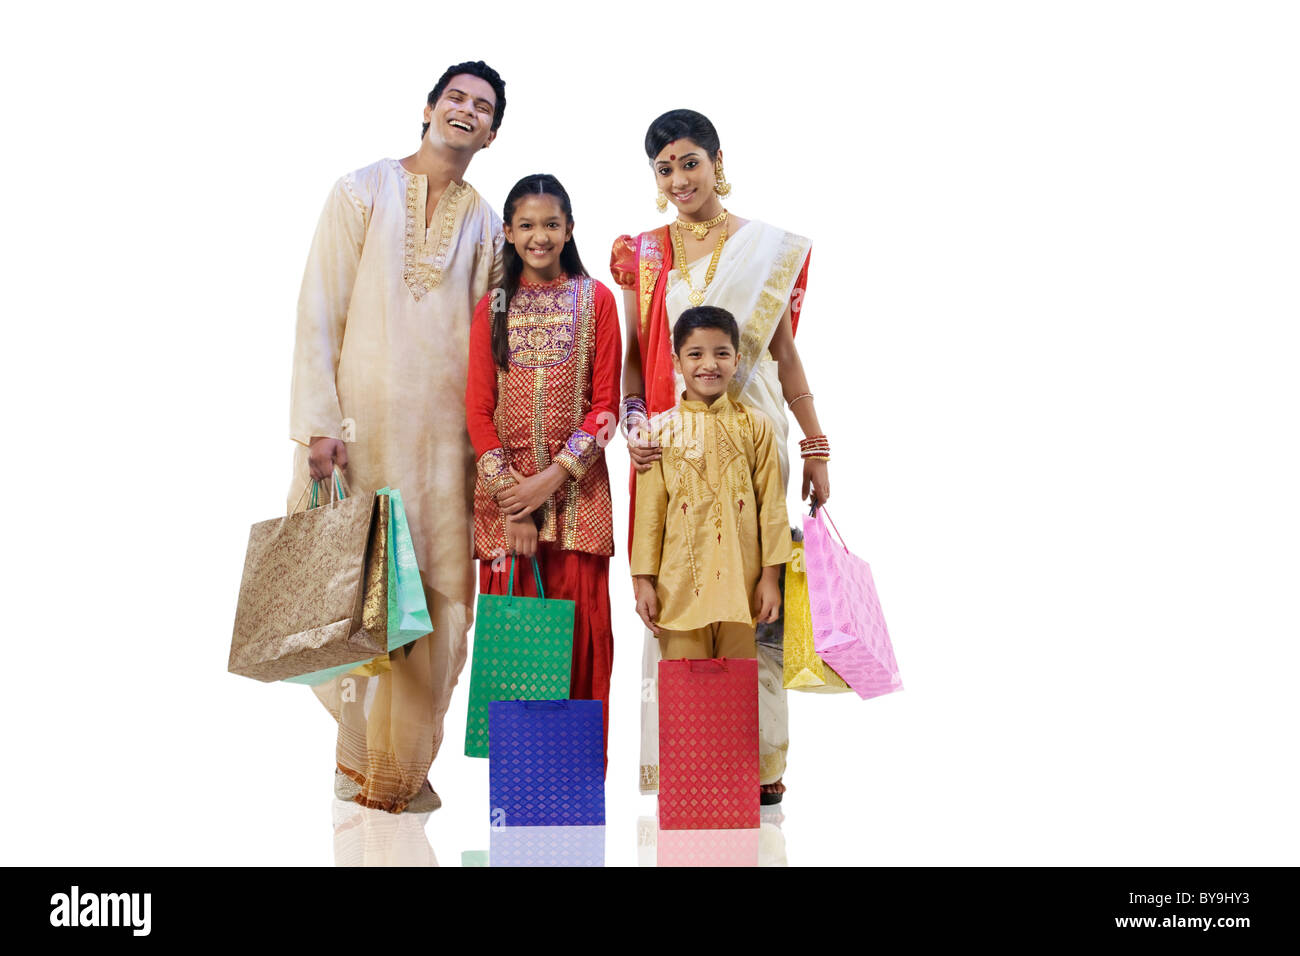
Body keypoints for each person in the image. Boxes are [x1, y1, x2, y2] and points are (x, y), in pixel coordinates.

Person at [288, 60, 507, 814]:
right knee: (354, 594)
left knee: (438, 596)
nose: (467, 112)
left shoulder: (488, 225)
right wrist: (318, 423)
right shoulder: (363, 190)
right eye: (457, 98)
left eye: (482, 107)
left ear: (493, 131)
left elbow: (492, 343)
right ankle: (359, 762)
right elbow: (320, 308)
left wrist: (494, 453)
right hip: (360, 437)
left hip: (447, 449)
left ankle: (399, 769)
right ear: (428, 107)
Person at [610, 109, 831, 804]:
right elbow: (638, 363)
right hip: (673, 452)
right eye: (664, 169)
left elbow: (786, 358)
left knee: (758, 610)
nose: (679, 179)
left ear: (716, 160)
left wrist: (816, 445)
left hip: (756, 445)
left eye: (689, 163)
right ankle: (692, 759)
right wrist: (636, 427)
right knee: (679, 601)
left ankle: (760, 766)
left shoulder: (767, 246)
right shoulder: (643, 255)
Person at [465, 174, 621, 764]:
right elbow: (478, 411)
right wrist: (516, 502)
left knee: (579, 645)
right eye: (526, 225)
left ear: (570, 229)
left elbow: (604, 411)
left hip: (579, 503)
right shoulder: (494, 306)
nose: (539, 237)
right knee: (518, 652)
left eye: (551, 224)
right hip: (505, 508)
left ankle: (576, 787)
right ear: (508, 232)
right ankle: (521, 791)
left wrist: (550, 481)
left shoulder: (596, 299)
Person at [631, 307, 792, 661]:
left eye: (721, 353)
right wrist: (643, 582)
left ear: (736, 360)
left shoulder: (756, 426)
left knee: (735, 704)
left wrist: (769, 579)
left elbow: (772, 508)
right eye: (695, 354)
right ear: (676, 362)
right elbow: (648, 515)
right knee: (684, 705)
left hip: (742, 588)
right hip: (678, 592)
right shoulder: (657, 432)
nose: (709, 364)